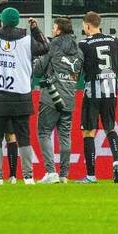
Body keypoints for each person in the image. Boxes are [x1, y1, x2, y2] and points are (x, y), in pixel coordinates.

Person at [0, 6, 47, 185]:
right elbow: (45, 47)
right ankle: (28, 176)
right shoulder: (26, 40)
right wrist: (35, 30)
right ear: (17, 21)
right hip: (21, 96)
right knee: (23, 136)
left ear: (2, 21)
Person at [78, 10, 118, 184]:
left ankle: (91, 175)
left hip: (93, 91)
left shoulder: (83, 44)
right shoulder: (113, 40)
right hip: (111, 90)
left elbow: (79, 66)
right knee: (110, 128)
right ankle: (116, 162)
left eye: (84, 25)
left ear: (88, 25)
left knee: (88, 131)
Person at [34, 17, 82, 184]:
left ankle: (51, 172)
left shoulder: (53, 45)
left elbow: (38, 71)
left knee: (44, 132)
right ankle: (64, 174)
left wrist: (37, 61)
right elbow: (77, 74)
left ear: (59, 30)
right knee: (65, 136)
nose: (52, 30)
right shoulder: (79, 49)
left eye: (54, 28)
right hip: (69, 96)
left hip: (51, 96)